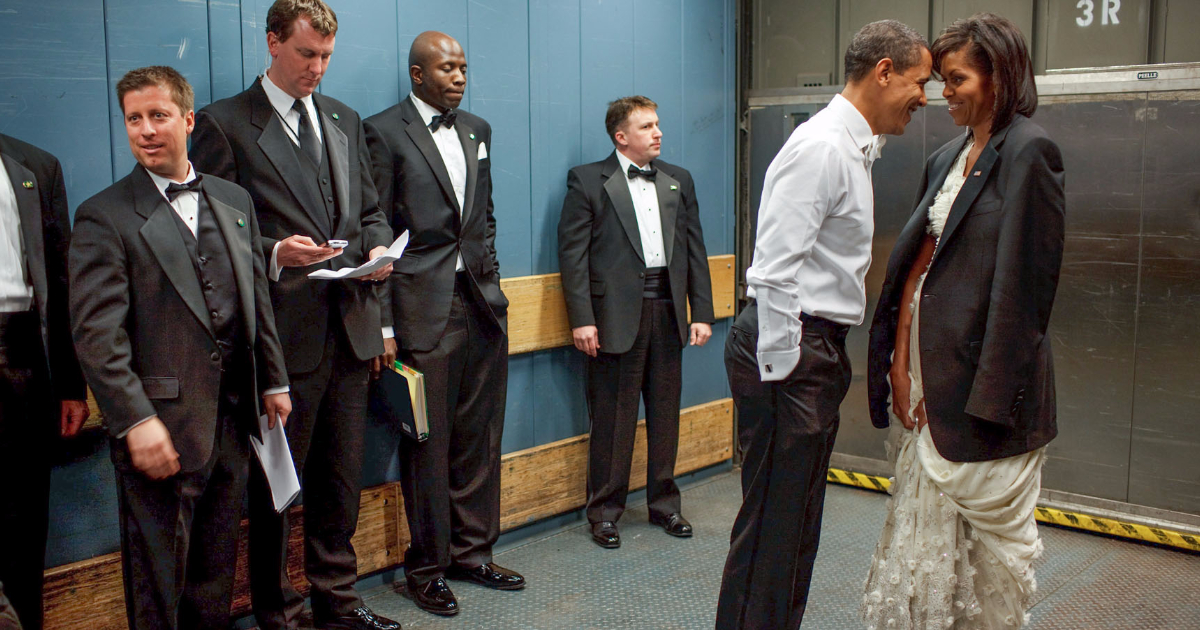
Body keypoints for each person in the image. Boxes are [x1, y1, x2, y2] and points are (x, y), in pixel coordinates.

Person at [188, 2, 400, 628]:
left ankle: (338, 600)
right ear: (273, 41)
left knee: (340, 479)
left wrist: (382, 247)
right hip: (280, 340)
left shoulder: (342, 116)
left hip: (352, 326)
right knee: (277, 488)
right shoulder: (225, 124)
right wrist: (274, 252)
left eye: (327, 56)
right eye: (307, 54)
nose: (318, 68)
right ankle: (278, 610)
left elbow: (368, 212)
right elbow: (206, 235)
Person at [715, 20, 932, 630]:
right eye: (918, 82)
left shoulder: (851, 146)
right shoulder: (822, 147)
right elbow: (775, 271)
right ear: (883, 71)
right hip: (790, 350)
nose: (924, 97)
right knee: (773, 528)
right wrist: (787, 374)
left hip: (812, 349)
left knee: (796, 521)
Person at [68, 65, 292, 630]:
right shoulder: (104, 215)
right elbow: (97, 334)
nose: (145, 129)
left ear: (188, 120)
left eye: (158, 116)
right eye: (133, 119)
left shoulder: (233, 198)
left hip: (234, 420)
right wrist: (135, 420)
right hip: (160, 428)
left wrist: (274, 377)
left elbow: (254, 295)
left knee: (215, 575)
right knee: (158, 584)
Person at [861, 14, 1064, 630]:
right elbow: (917, 270)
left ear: (999, 77)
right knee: (925, 551)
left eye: (956, 79)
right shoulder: (946, 156)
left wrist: (987, 405)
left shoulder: (1030, 152)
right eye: (941, 80)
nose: (941, 92)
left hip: (982, 397)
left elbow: (1024, 294)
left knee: (987, 569)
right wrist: (898, 367)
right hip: (928, 381)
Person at [363, 31, 522, 618]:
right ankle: (425, 568)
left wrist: (496, 286)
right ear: (416, 74)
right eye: (446, 68)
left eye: (462, 67)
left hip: (480, 303)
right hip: (419, 309)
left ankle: (473, 552)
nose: (458, 76)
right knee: (426, 446)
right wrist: (383, 323)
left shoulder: (478, 129)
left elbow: (484, 219)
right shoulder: (382, 130)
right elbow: (374, 228)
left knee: (479, 437)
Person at [557, 96, 716, 550]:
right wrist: (582, 319)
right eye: (647, 126)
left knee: (666, 415)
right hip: (612, 319)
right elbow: (573, 256)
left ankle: (665, 505)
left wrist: (700, 311)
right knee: (613, 420)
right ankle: (605, 512)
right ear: (621, 136)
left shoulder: (678, 180)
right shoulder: (588, 180)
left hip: (667, 313)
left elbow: (694, 249)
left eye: (658, 124)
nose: (658, 133)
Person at [0, 132, 89, 630]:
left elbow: (60, 282)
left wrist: (71, 385)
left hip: (22, 355)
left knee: (21, 526)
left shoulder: (36, 164)